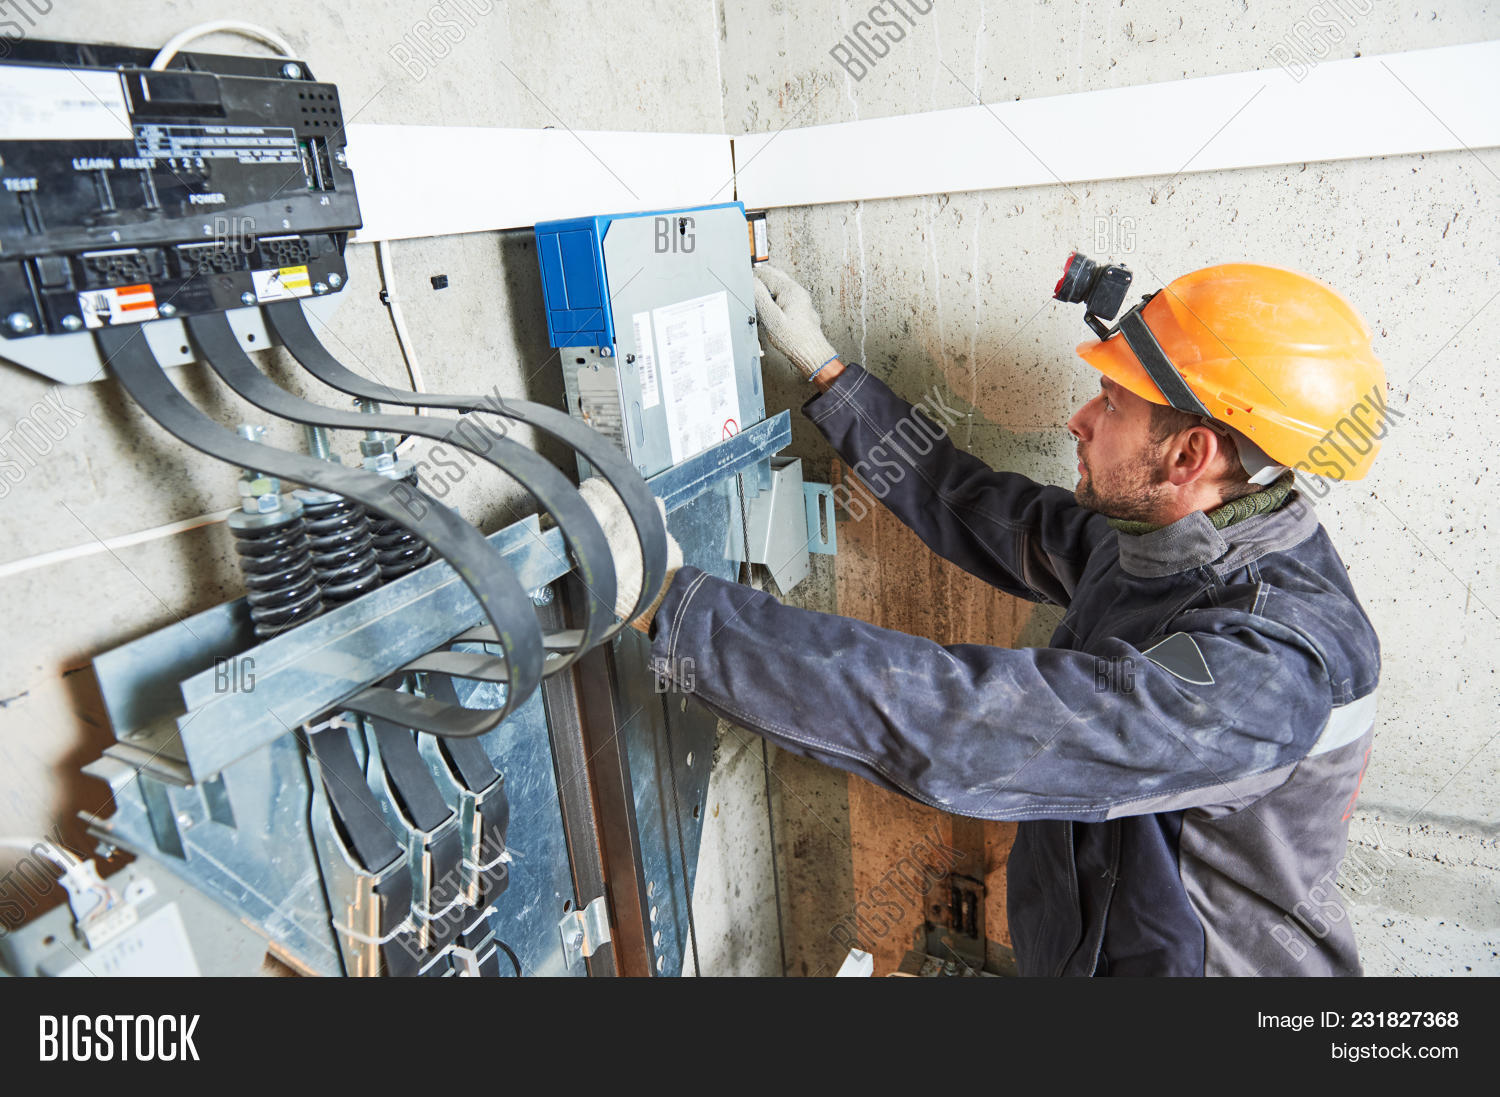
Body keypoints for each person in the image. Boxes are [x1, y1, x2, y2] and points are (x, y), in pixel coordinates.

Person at [581, 259, 1388, 976]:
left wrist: (671, 605)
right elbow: (994, 515)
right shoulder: (1172, 538)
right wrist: (831, 377)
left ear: (1190, 456)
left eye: (1110, 401)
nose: (1079, 419)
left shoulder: (1272, 662)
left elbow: (965, 721)